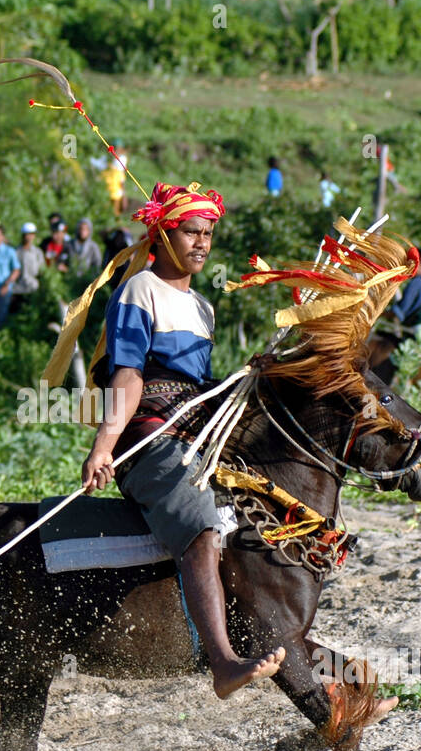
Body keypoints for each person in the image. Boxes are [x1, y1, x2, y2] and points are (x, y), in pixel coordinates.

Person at [71, 181, 286, 699]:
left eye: (209, 233)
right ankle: (222, 661)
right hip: (149, 439)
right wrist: (105, 446)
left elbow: (196, 387)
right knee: (202, 526)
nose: (203, 242)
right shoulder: (137, 291)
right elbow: (129, 378)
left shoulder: (204, 307)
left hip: (198, 431)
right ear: (164, 234)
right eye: (192, 231)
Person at [11, 221, 43, 318]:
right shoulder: (16, 252)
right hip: (18, 290)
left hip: (33, 289)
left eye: (31, 234)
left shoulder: (38, 252)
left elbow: (41, 271)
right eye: (27, 234)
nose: (29, 237)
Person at [105, 147, 129, 216]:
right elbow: (122, 185)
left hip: (113, 195)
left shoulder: (111, 170)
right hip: (114, 195)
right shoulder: (118, 172)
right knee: (113, 214)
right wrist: (124, 197)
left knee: (111, 213)